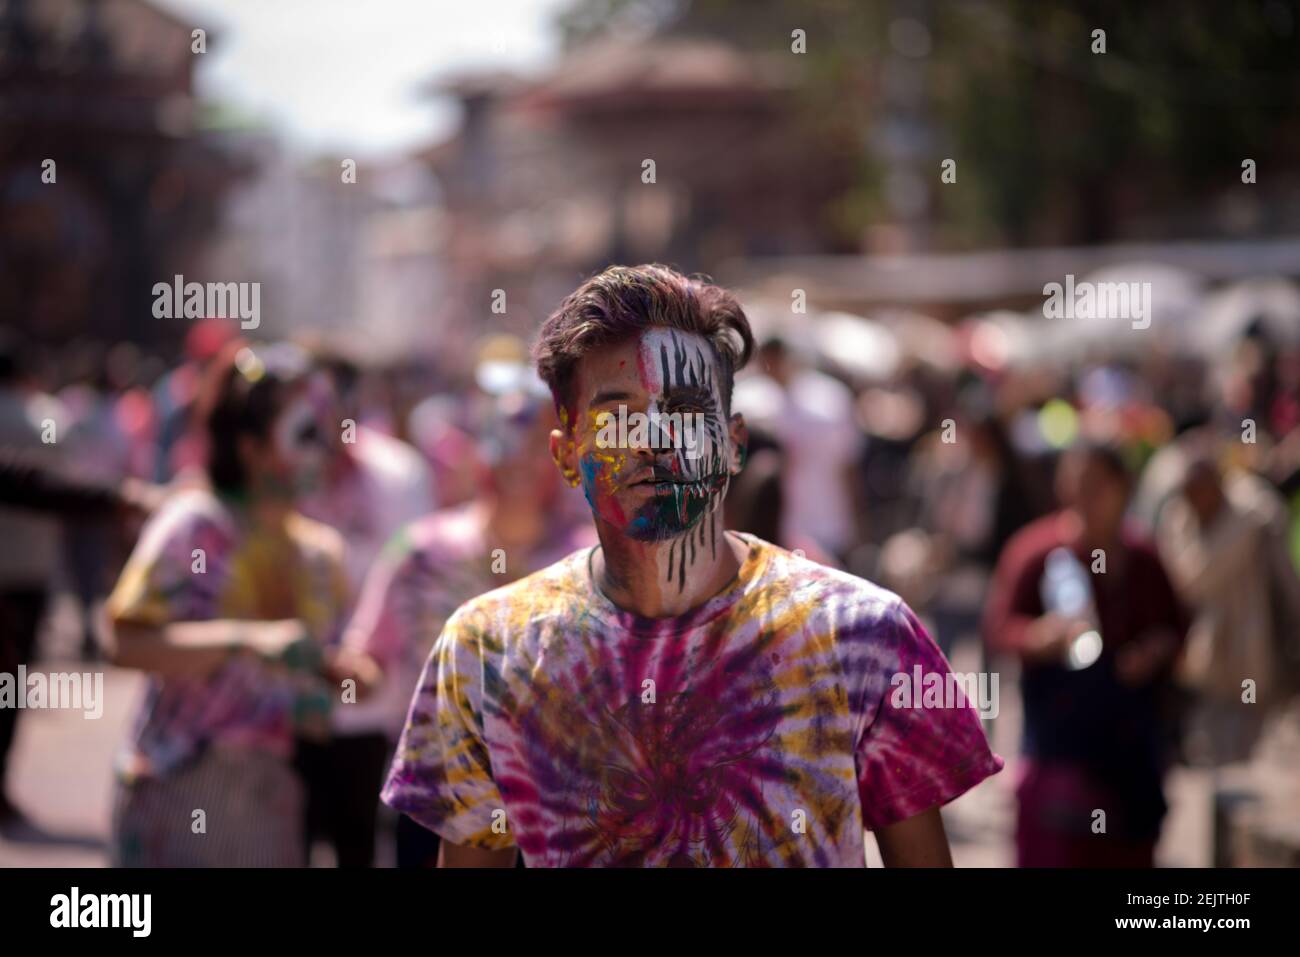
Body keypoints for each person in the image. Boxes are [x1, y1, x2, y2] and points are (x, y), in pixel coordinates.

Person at [383, 264, 1002, 868]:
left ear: (733, 443)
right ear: (567, 453)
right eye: (618, 413)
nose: (653, 438)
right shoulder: (486, 651)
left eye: (683, 409)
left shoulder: (863, 637)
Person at [105, 341, 352, 867]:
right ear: (250, 445)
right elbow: (122, 642)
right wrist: (245, 641)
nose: (328, 450)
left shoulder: (319, 555)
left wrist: (343, 677)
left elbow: (315, 693)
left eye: (330, 432)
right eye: (308, 433)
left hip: (271, 802)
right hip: (178, 788)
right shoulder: (194, 526)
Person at [342, 383, 594, 867]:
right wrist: (337, 673)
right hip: (433, 800)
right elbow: (367, 654)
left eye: (534, 440)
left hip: (557, 811)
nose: (518, 460)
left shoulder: (586, 562)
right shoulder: (422, 551)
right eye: (505, 437)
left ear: (560, 456)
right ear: (478, 451)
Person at [983, 441, 1189, 867]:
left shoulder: (1145, 559)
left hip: (1131, 753)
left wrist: (1155, 650)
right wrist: (1041, 637)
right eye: (1075, 485)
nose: (1084, 497)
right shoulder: (1036, 553)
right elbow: (1001, 628)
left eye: (1096, 486)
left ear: (1122, 488)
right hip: (1058, 744)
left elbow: (1177, 626)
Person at [1156, 447, 1300, 765]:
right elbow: (1180, 583)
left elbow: (1286, 582)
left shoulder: (1256, 515)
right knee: (1211, 749)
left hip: (1256, 649)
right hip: (1203, 659)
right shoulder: (1179, 521)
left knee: (1254, 750)